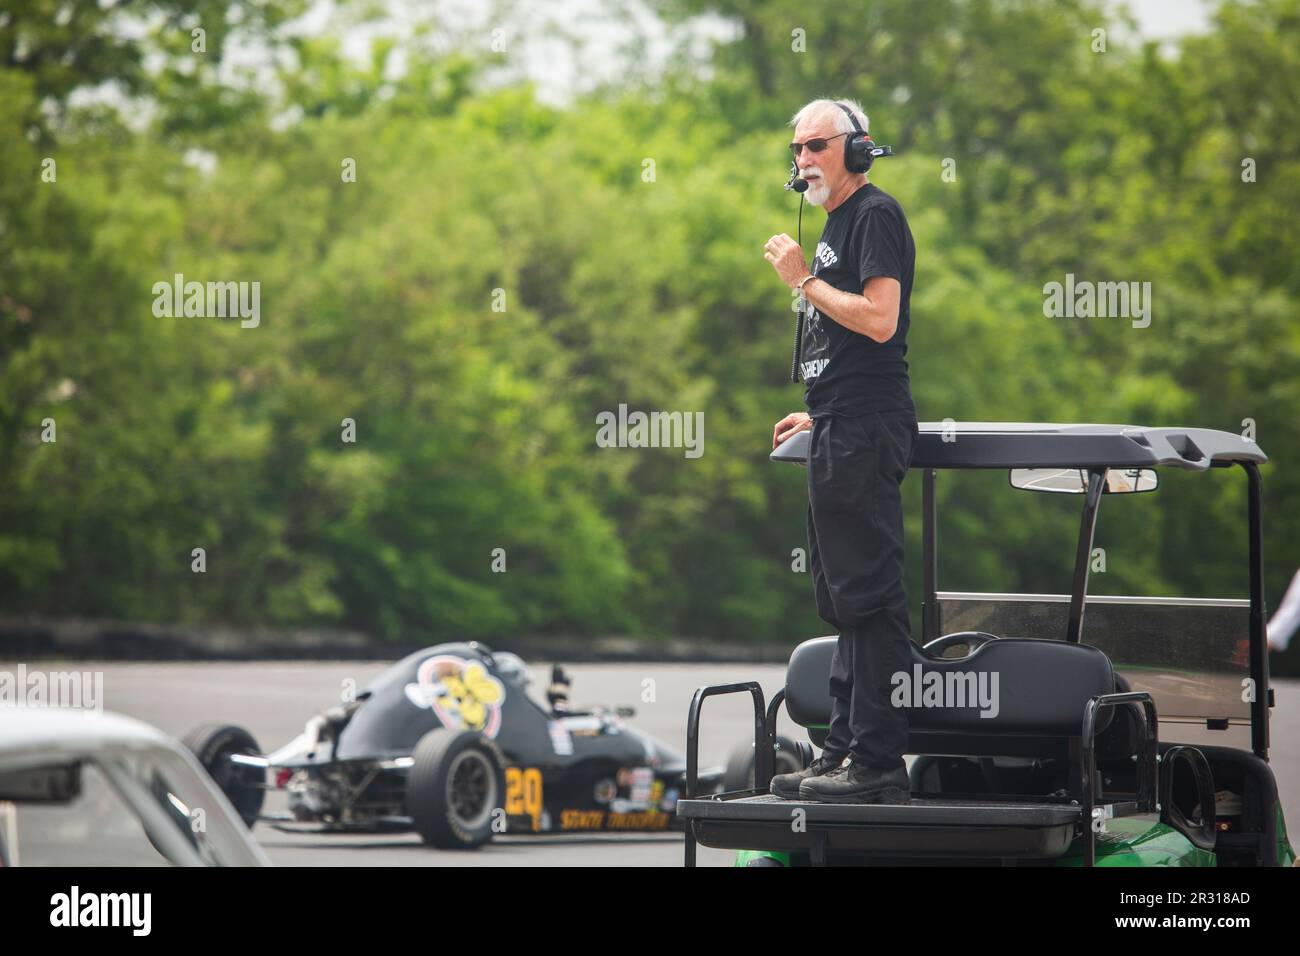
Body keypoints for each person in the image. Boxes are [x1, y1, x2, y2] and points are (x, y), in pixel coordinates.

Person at [763, 98, 919, 804]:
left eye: (816, 146)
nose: (803, 162)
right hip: (839, 424)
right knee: (844, 597)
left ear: (856, 150)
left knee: (872, 596)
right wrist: (817, 411)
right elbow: (844, 341)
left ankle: (879, 760)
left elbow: (880, 322)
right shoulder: (832, 226)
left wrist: (803, 280)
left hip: (867, 428)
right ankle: (841, 750)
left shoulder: (875, 214)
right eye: (796, 150)